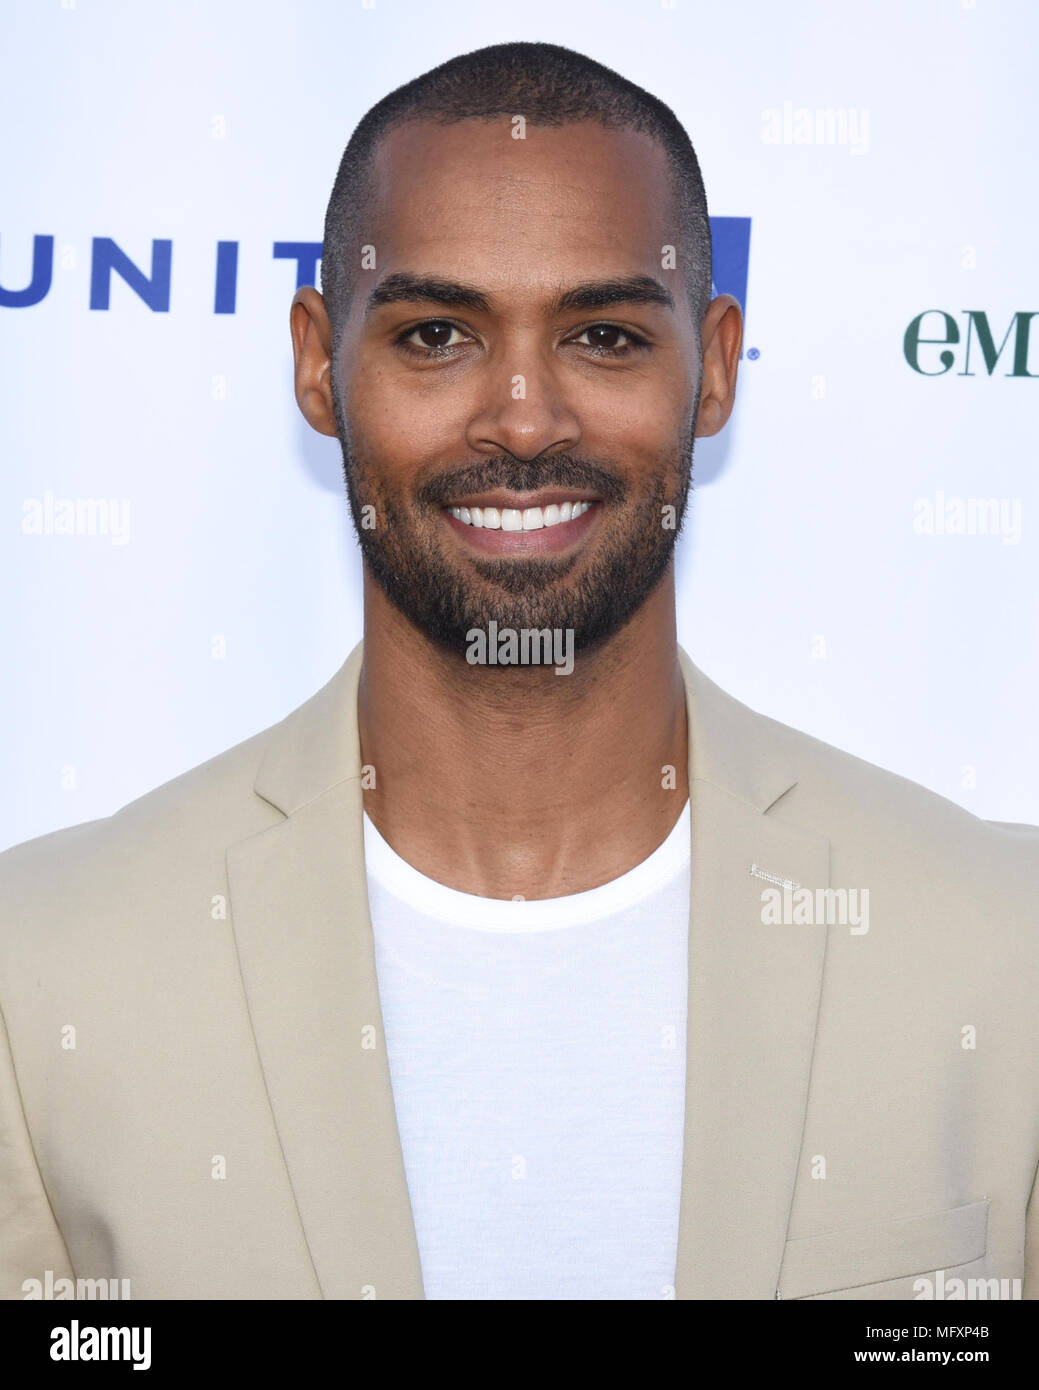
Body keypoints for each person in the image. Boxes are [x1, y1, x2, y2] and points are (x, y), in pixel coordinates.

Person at [2, 41, 1036, 1302]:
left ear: (712, 368)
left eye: (603, 335)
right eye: (436, 334)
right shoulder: (41, 971)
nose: (526, 419)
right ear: (317, 365)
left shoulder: (1001, 945)